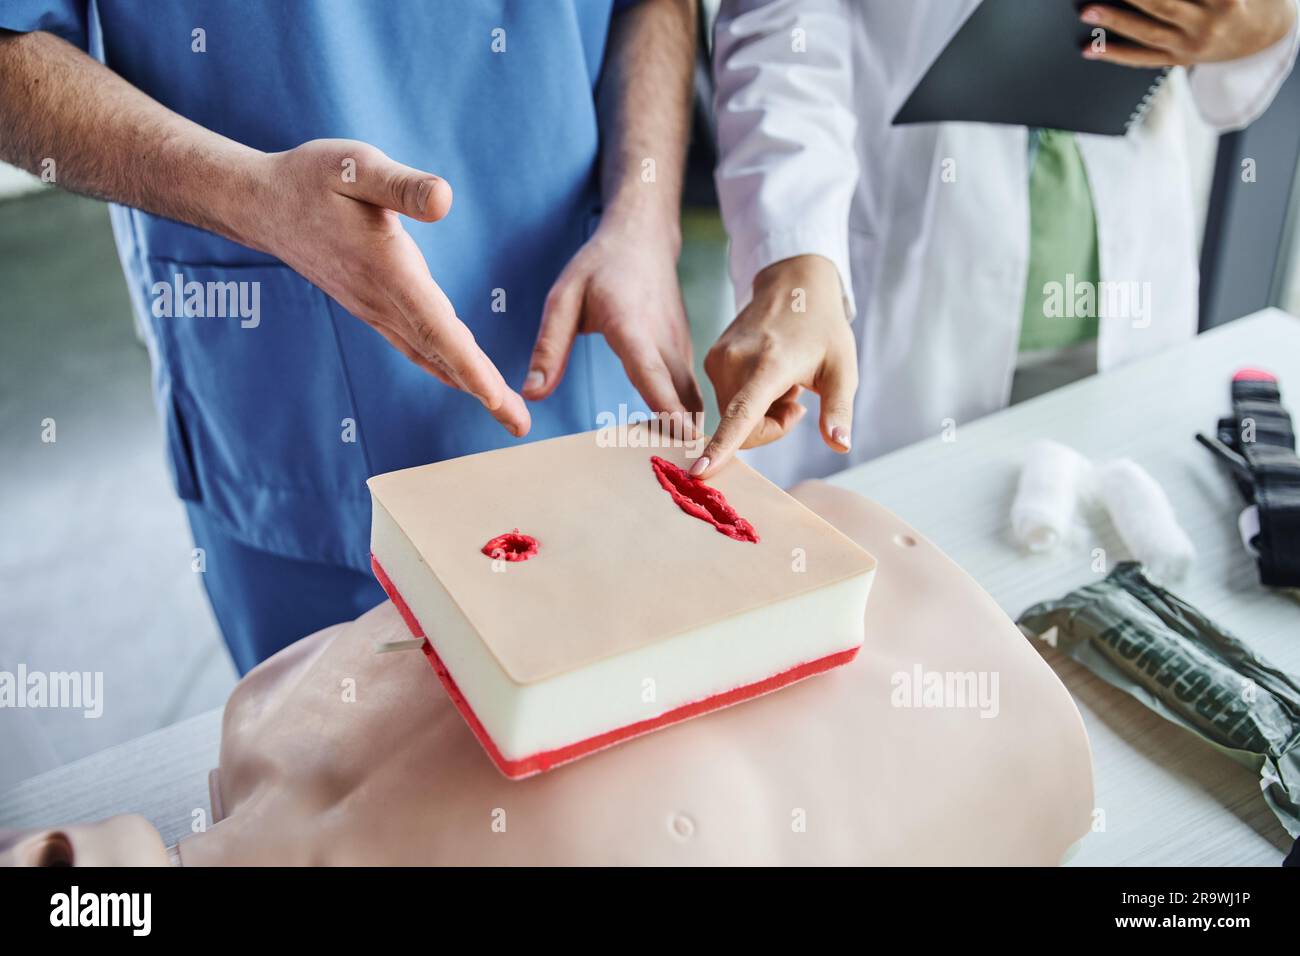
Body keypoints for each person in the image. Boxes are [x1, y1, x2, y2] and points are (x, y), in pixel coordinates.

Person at [0, 0, 701, 672]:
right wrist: (250, 198)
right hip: (305, 418)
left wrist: (644, 215)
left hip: (588, 351)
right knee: (345, 759)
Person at [695, 0, 1299, 486]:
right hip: (910, 281)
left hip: (1118, 289)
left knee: (1104, 560)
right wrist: (795, 260)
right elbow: (783, 19)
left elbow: (1229, 74)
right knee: (904, 579)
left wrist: (1268, 22)